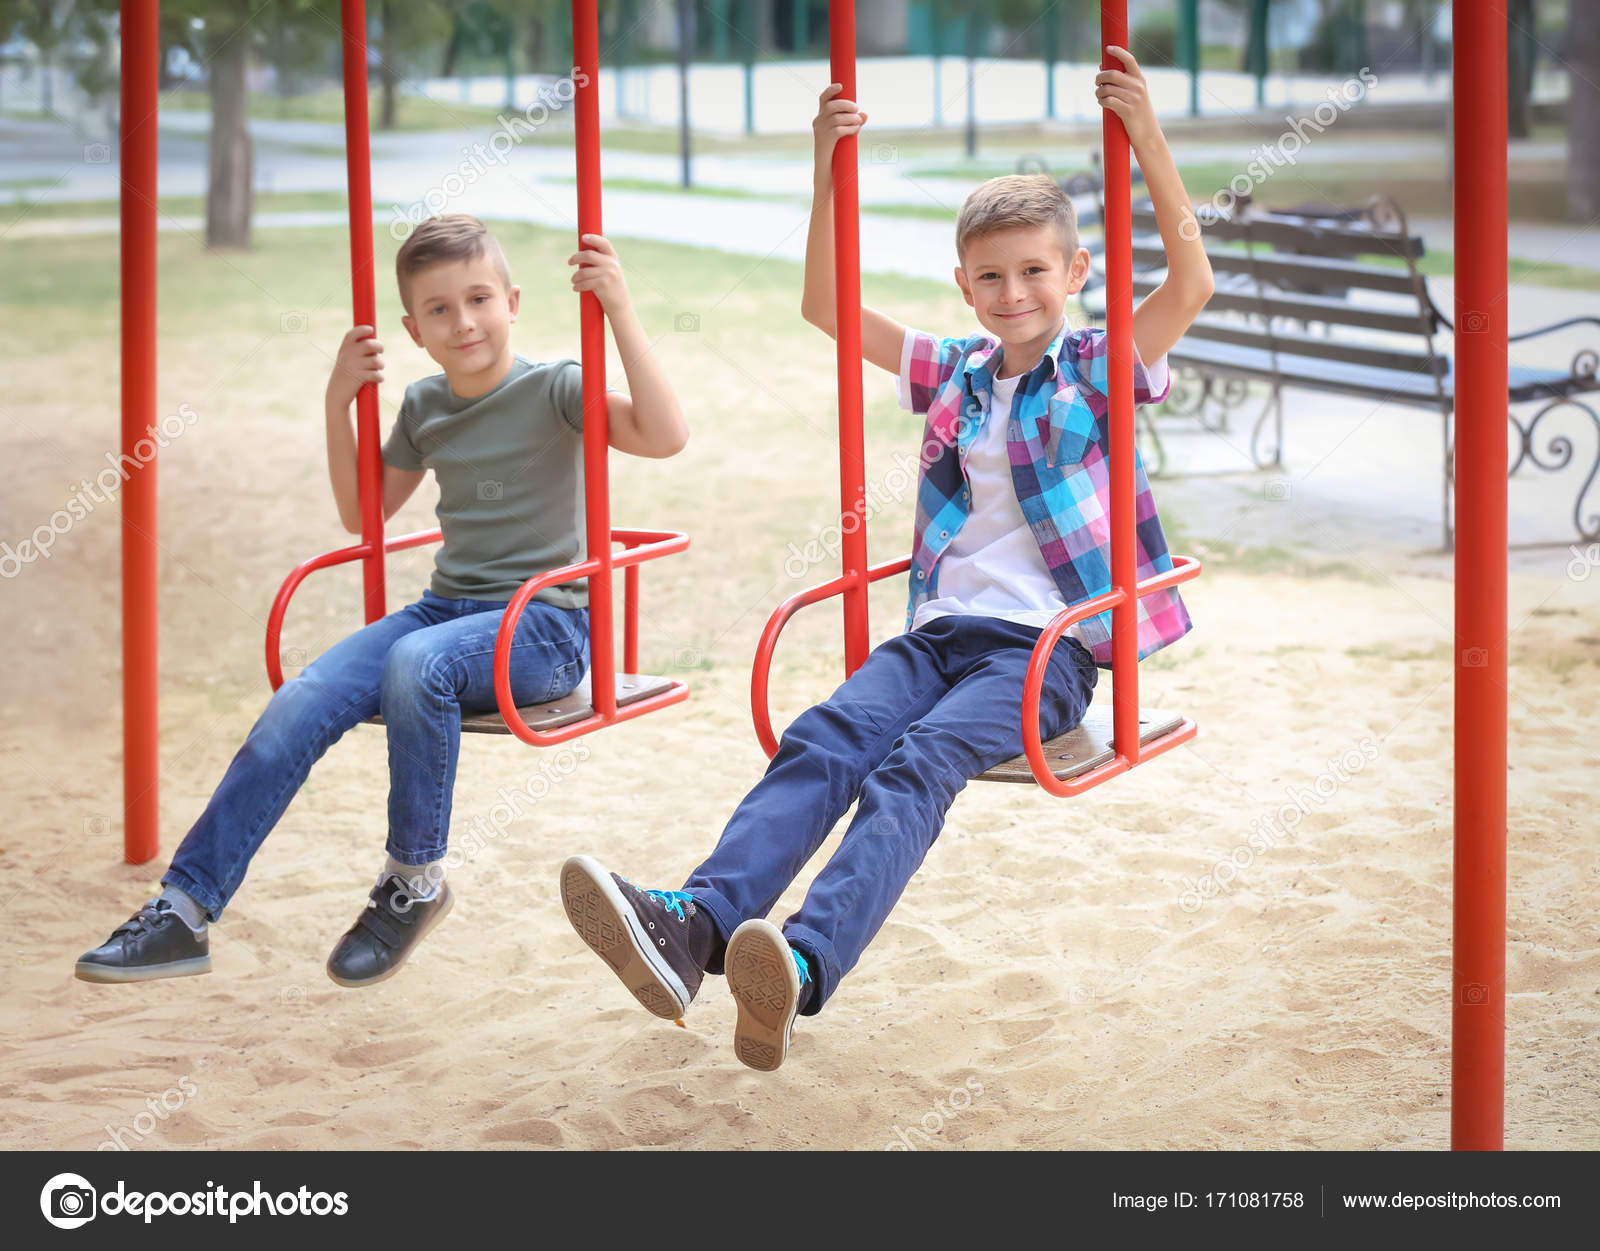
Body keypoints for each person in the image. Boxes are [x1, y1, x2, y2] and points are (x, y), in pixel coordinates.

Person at [560, 49, 1210, 1072]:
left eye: (1035, 271)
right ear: (964, 284)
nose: (1012, 294)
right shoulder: (953, 369)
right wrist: (826, 161)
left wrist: (1149, 140)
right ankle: (692, 925)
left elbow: (1193, 278)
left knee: (918, 766)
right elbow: (827, 306)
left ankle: (802, 965)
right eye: (990, 277)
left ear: (1076, 274)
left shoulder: (1099, 364)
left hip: (1042, 654)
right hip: (938, 637)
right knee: (823, 739)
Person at [76, 214, 688, 987]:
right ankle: (184, 912)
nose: (463, 321)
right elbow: (365, 514)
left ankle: (414, 883)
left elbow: (666, 435)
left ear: (512, 301)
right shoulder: (426, 405)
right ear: (414, 329)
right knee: (301, 699)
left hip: (546, 624)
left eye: (478, 299)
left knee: (416, 662)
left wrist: (620, 310)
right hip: (447, 611)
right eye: (439, 309)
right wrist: (339, 404)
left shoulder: (556, 387)